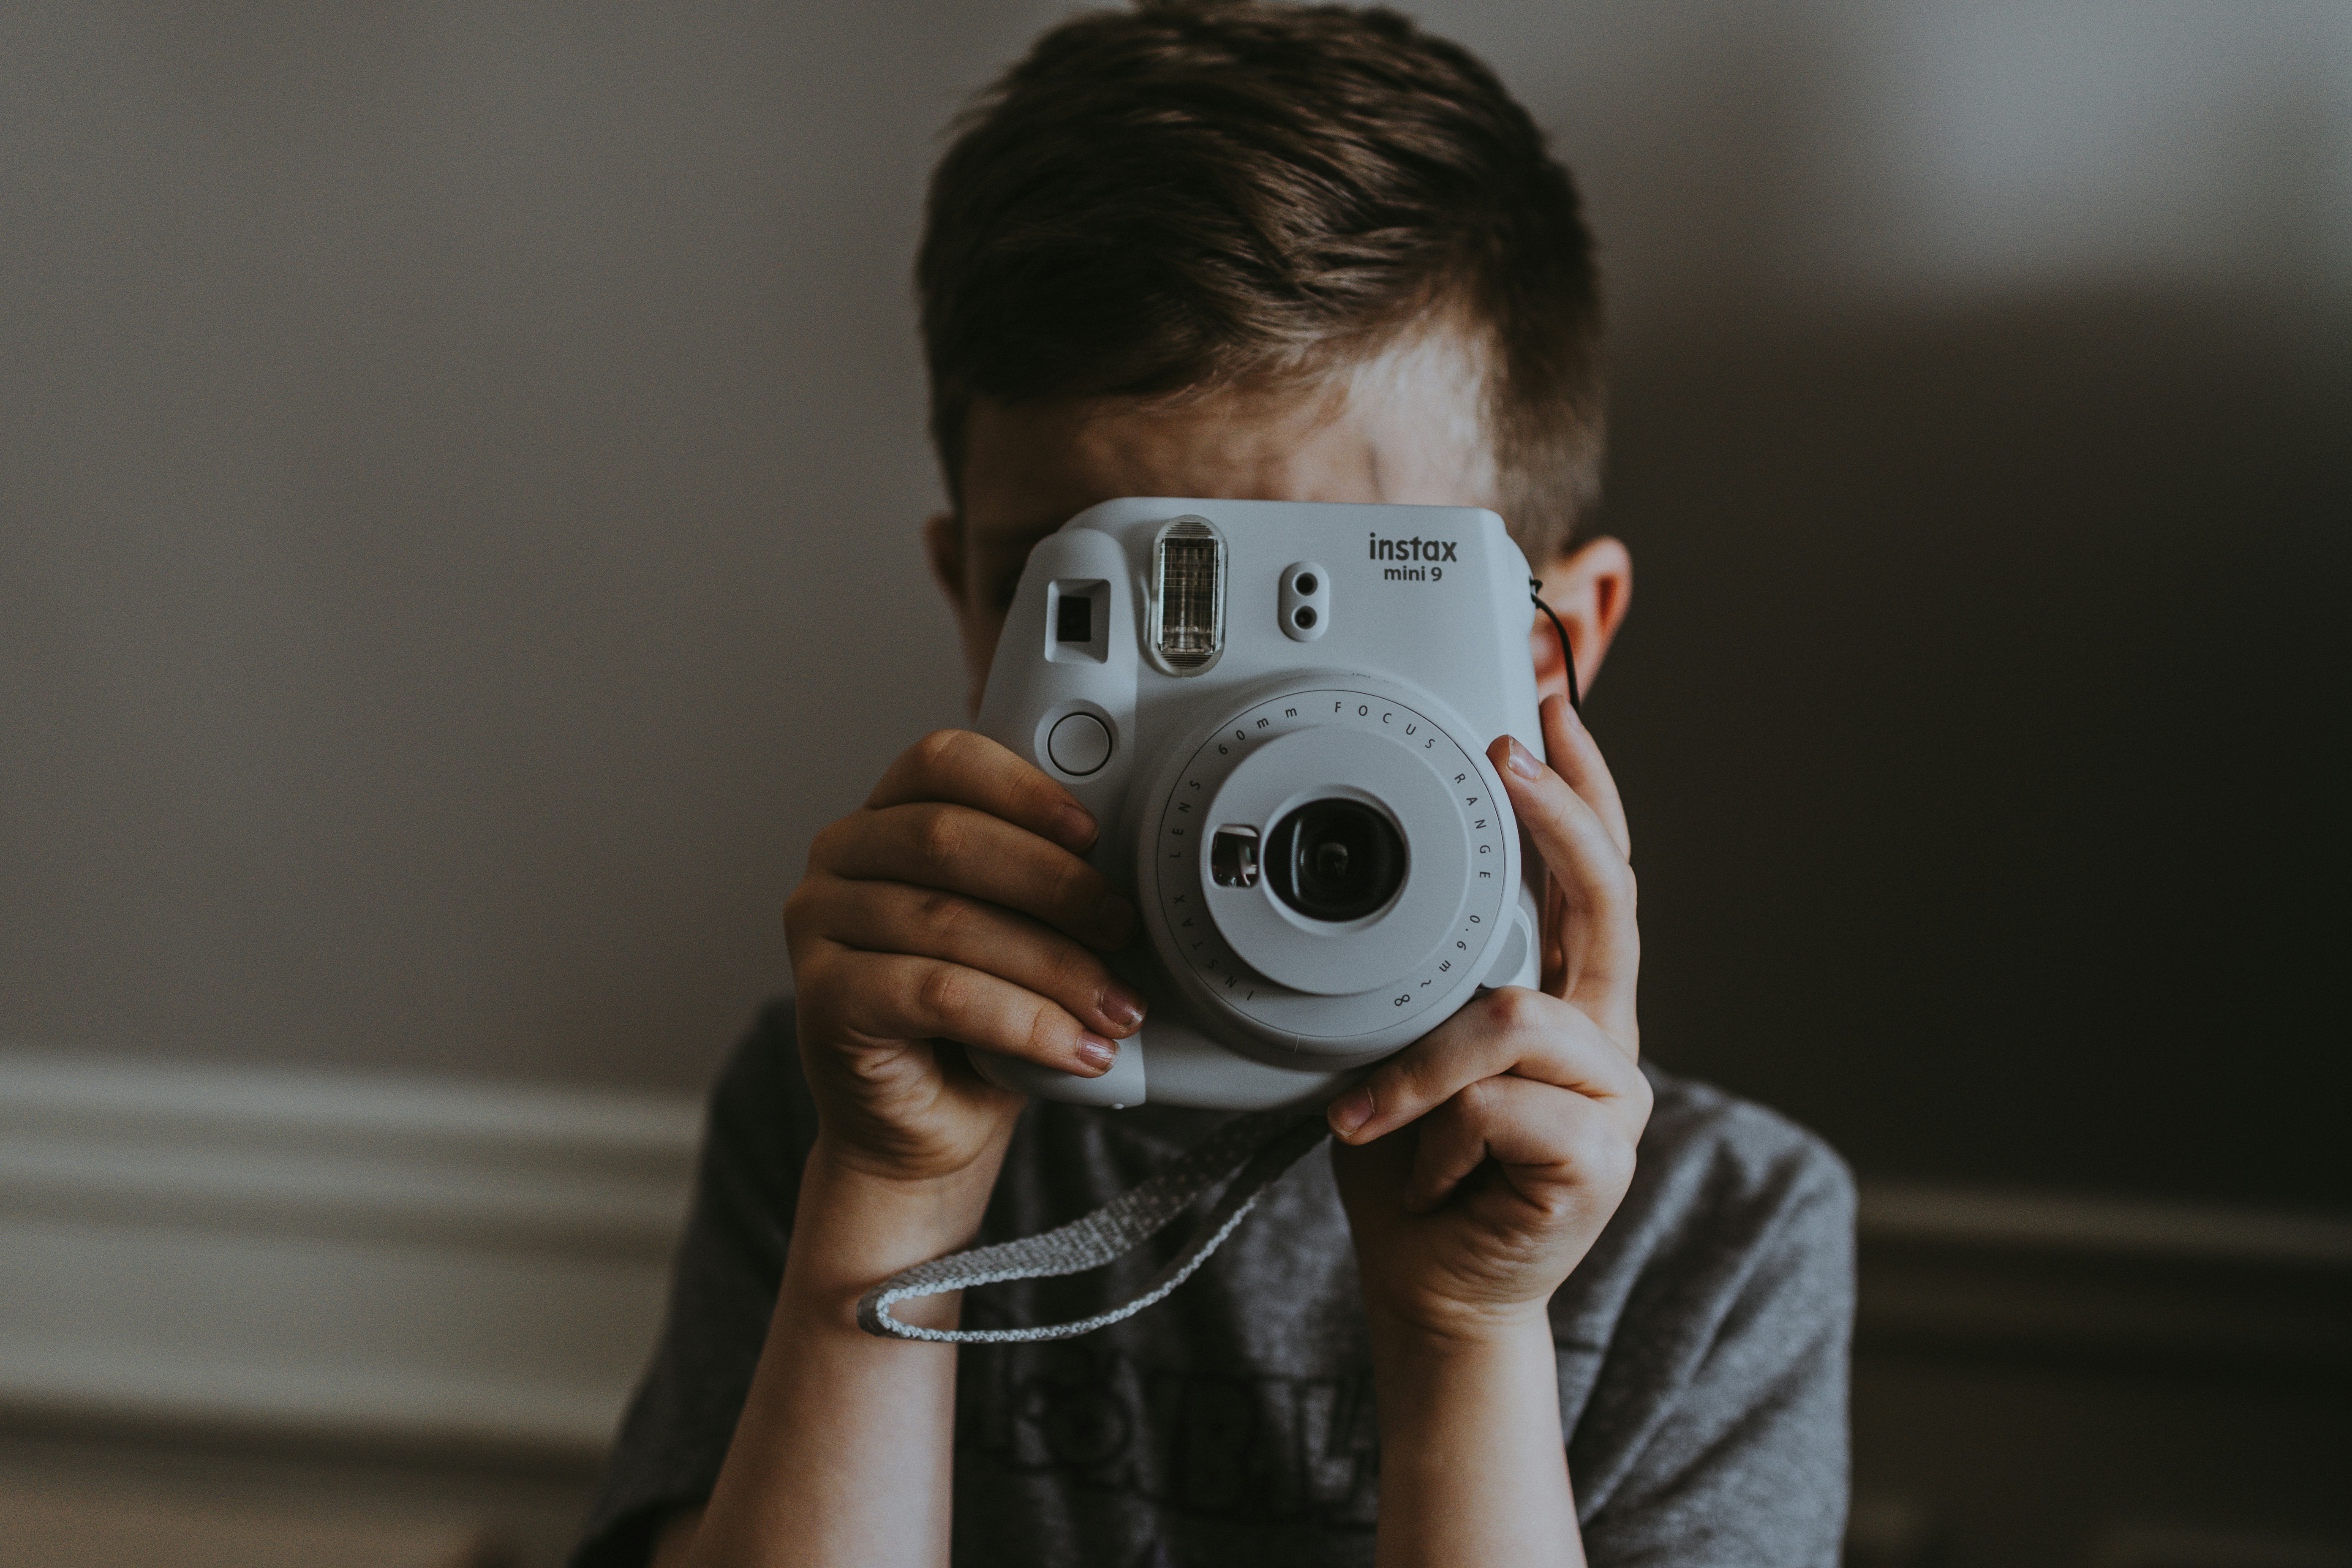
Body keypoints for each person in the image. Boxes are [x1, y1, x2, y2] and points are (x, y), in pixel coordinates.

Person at [574, 3, 1854, 1564]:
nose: (1225, 751)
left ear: (1552, 653)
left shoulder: (1716, 1235)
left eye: (1319, 609)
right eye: (1110, 606)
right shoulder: (838, 1104)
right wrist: (890, 1199)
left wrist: (1469, 1333)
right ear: (976, 608)